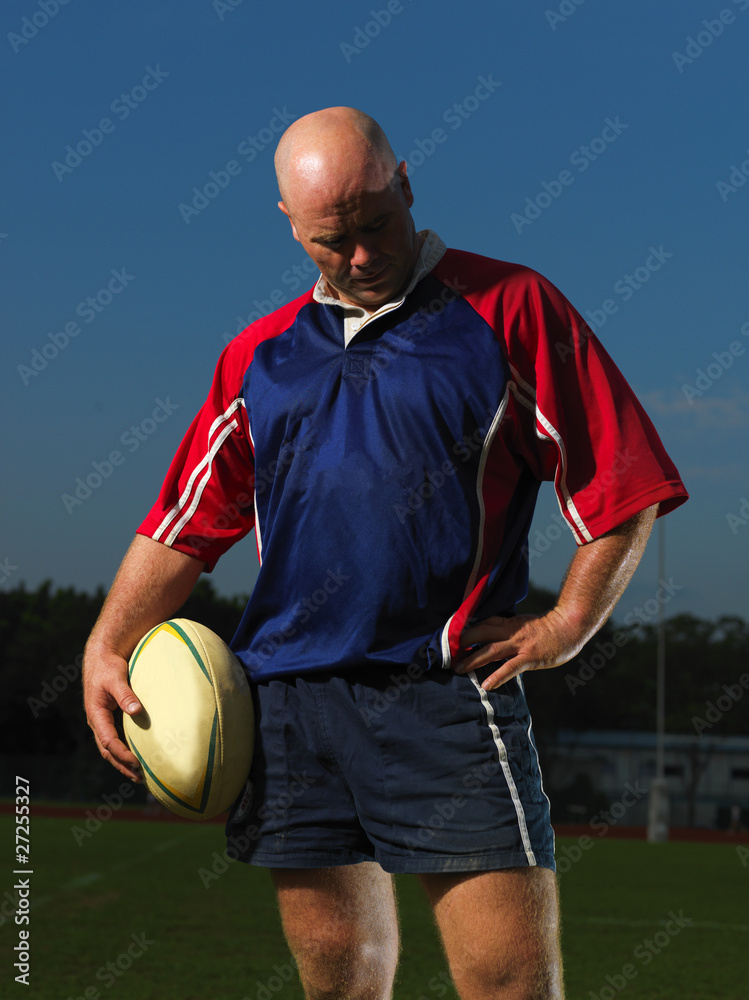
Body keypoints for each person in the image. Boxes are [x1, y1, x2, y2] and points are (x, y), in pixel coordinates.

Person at [83, 107, 688, 1000]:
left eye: (377, 224)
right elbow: (184, 521)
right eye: (333, 239)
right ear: (289, 223)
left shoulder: (509, 307)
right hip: (285, 705)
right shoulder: (260, 355)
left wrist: (567, 623)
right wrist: (105, 644)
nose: (361, 255)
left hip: (444, 694)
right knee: (339, 981)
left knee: (507, 984)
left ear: (406, 185)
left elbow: (621, 484)